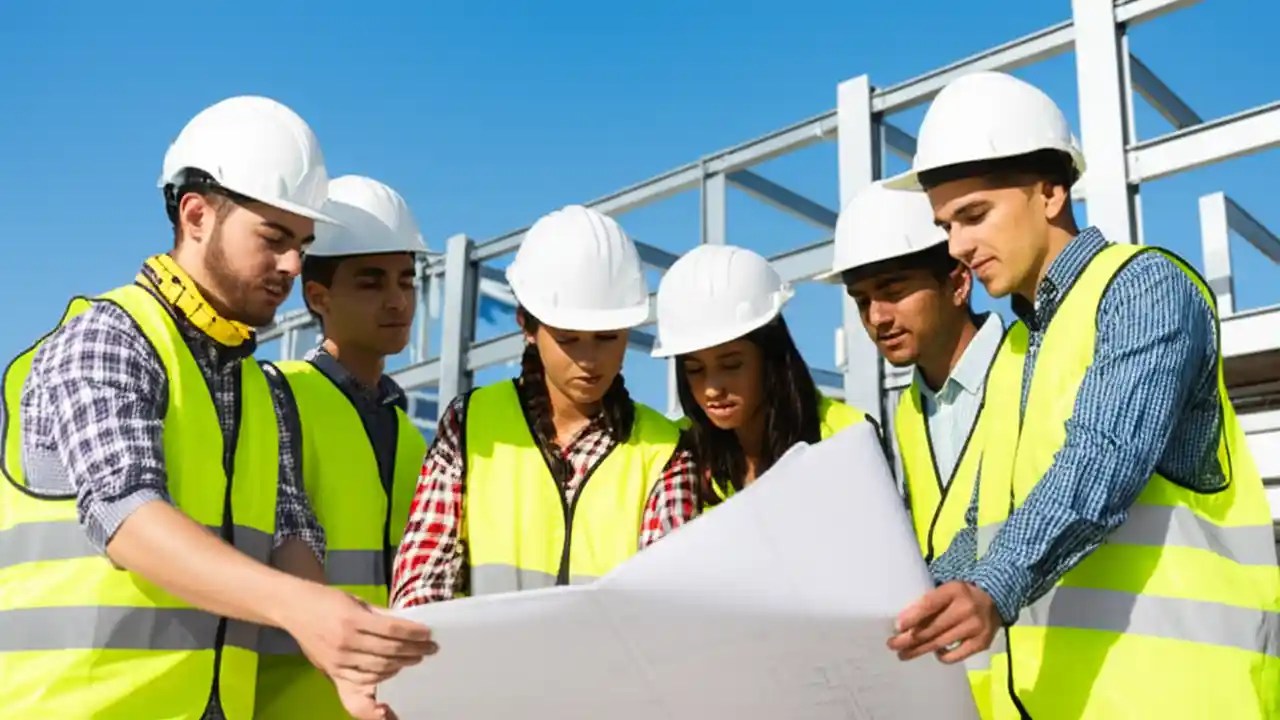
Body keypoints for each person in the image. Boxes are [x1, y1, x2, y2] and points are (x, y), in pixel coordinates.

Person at [0, 96, 434, 720]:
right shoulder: (107, 339)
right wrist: (302, 610)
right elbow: (126, 513)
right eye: (274, 238)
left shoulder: (254, 387)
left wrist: (340, 656)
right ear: (197, 215)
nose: (292, 264)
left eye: (303, 243)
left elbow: (291, 532)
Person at [885, 71, 1280, 719]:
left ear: (1051, 191)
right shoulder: (1014, 355)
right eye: (946, 225)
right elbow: (980, 534)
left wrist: (989, 586)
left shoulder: (1144, 289)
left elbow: (1101, 464)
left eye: (974, 216)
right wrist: (892, 607)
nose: (957, 247)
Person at [390, 204, 699, 607]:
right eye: (569, 339)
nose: (589, 360)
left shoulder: (666, 450)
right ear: (526, 326)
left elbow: (666, 601)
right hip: (483, 668)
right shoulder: (470, 424)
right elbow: (421, 584)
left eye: (607, 338)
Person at [819, 180, 1004, 716]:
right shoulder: (906, 415)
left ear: (958, 282)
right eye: (861, 301)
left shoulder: (1029, 370)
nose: (877, 317)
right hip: (968, 693)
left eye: (894, 290)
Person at [255, 175, 431, 719]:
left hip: (387, 702)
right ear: (318, 296)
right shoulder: (276, 395)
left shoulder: (407, 432)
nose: (398, 300)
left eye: (407, 280)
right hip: (288, 704)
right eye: (372, 282)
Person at [650, 243, 872, 507]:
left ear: (771, 356)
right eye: (694, 370)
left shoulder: (846, 436)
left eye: (731, 364)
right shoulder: (681, 457)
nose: (712, 389)